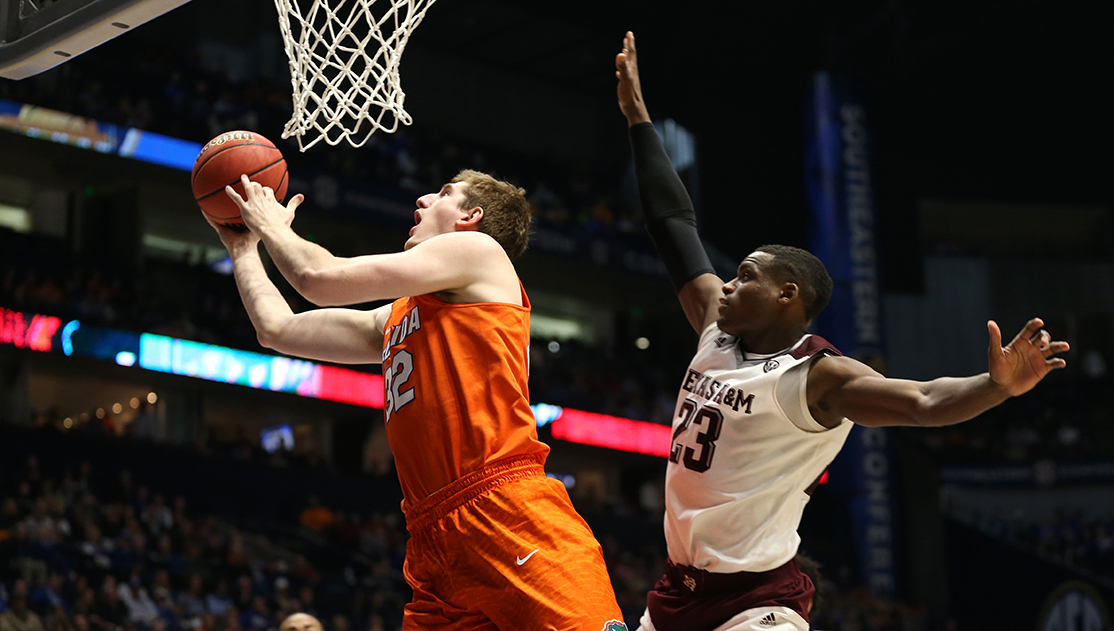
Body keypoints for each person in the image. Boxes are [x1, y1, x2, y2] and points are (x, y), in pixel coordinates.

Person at [614, 31, 1069, 631]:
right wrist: (640, 119)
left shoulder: (817, 375)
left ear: (787, 295)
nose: (725, 284)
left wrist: (997, 386)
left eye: (745, 276)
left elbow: (923, 401)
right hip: (676, 589)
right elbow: (672, 221)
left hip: (754, 602)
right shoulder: (714, 332)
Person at [209, 170, 626, 630]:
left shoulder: (481, 252)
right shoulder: (399, 314)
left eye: (445, 193)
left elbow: (317, 277)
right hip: (433, 536)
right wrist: (243, 249)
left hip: (507, 507)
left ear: (472, 217)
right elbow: (278, 330)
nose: (423, 199)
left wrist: (270, 223)